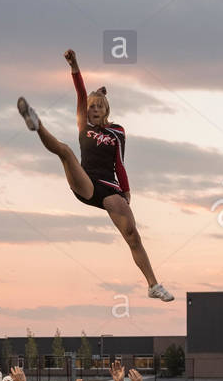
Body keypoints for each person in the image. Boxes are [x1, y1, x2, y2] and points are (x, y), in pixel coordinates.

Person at [16, 49, 174, 302]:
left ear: (106, 110)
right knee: (66, 152)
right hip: (86, 182)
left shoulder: (118, 132)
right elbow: (81, 92)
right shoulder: (83, 125)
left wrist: (126, 191)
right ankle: (37, 125)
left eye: (99, 106)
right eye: (91, 107)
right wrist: (75, 65)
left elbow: (120, 163)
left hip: (110, 188)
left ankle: (153, 285)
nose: (94, 109)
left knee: (133, 235)